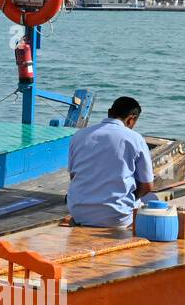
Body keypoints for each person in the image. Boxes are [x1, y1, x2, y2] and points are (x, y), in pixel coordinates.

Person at [66, 96, 158, 228]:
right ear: (131, 119)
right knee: (151, 198)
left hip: (79, 213)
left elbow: (73, 177)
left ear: (109, 112)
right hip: (118, 217)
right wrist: (132, 197)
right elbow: (148, 186)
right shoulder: (135, 139)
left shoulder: (79, 135)